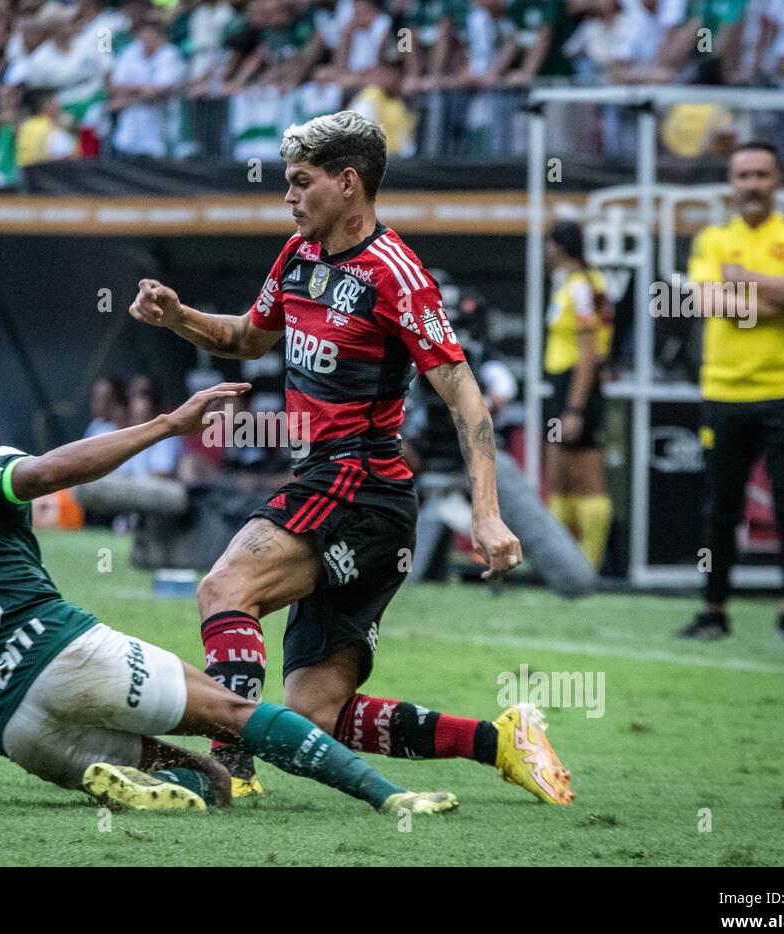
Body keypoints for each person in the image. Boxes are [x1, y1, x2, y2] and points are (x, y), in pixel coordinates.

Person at [130, 110, 572, 806]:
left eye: (301, 183)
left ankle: (225, 771)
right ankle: (500, 741)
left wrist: (486, 516)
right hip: (342, 492)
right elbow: (248, 337)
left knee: (223, 589)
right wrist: (178, 315)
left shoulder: (396, 273)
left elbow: (467, 399)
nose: (288, 196)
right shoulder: (298, 256)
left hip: (358, 485)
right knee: (312, 720)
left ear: (347, 183)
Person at [0, 392, 462, 816]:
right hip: (65, 656)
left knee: (205, 787)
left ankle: (143, 783)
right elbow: (46, 474)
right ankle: (388, 797)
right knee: (236, 716)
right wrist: (165, 426)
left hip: (16, 732)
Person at [678, 141, 784, 644]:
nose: (753, 184)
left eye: (762, 174)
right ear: (732, 183)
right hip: (725, 390)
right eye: (744, 175)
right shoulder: (713, 239)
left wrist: (744, 280)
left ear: (777, 180)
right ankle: (714, 610)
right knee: (721, 508)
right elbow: (704, 300)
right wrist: (773, 295)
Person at [543, 220, 614, 572]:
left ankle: (589, 566)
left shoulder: (583, 286)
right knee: (559, 476)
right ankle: (564, 565)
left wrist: (574, 407)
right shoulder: (570, 283)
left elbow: (590, 353)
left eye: (548, 244)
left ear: (558, 247)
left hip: (576, 387)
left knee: (587, 479)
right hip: (561, 385)